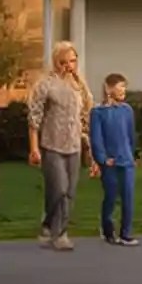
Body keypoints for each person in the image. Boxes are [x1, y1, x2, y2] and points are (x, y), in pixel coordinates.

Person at [28, 41, 95, 251]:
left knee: (70, 191)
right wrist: (34, 148)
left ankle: (56, 228)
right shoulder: (46, 84)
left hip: (74, 145)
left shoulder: (80, 86)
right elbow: (34, 117)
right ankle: (56, 231)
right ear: (56, 62)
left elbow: (85, 117)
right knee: (58, 189)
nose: (69, 65)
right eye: (64, 61)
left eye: (73, 61)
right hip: (52, 144)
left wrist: (88, 146)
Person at [90, 73, 139, 246]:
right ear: (109, 89)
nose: (124, 90)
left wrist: (133, 155)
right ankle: (107, 229)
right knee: (111, 196)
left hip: (126, 160)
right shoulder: (98, 112)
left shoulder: (127, 111)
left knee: (128, 197)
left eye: (125, 86)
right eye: (120, 86)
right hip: (110, 162)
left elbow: (131, 135)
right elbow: (96, 139)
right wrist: (102, 159)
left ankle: (126, 233)